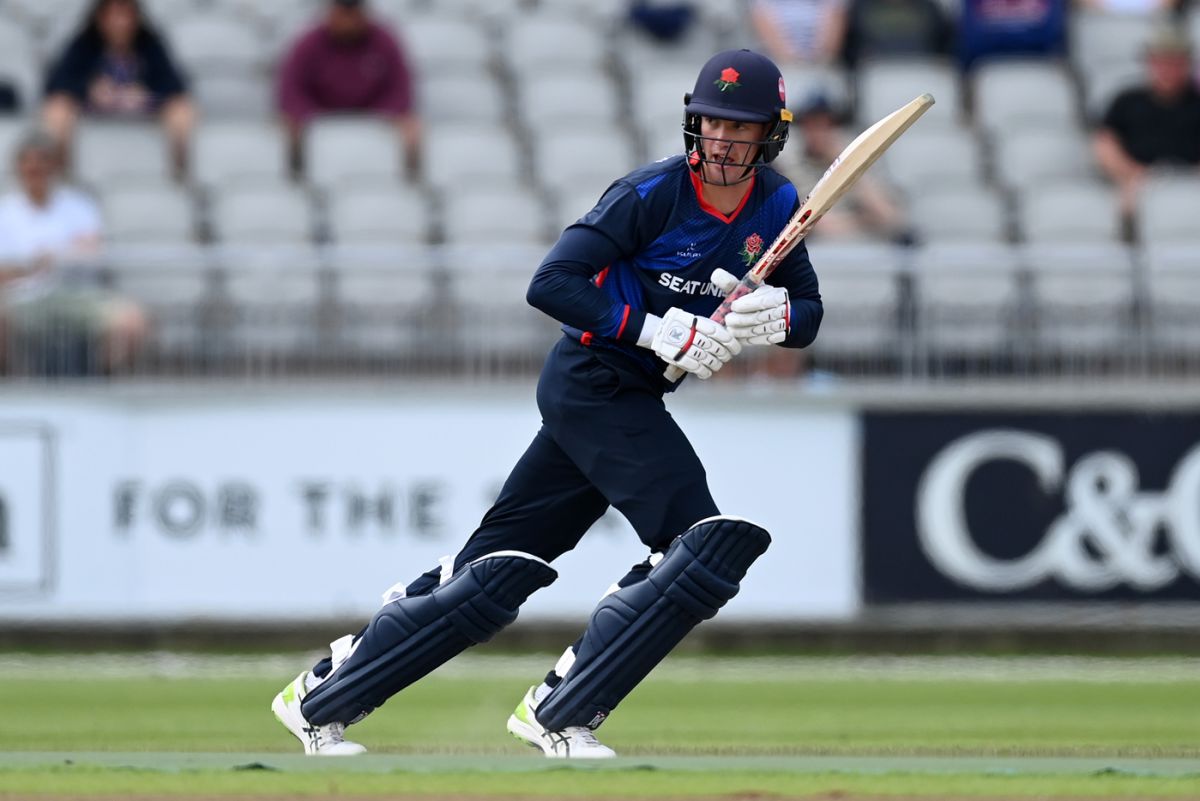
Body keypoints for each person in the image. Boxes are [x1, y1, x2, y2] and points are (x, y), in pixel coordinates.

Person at [270, 49, 822, 759]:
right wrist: (655, 329)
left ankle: (317, 701)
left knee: (493, 572)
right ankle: (559, 713)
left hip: (628, 392)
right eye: (711, 123)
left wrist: (770, 318)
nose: (721, 139)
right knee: (698, 544)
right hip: (592, 379)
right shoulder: (650, 194)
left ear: (767, 136)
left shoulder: (776, 203)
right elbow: (552, 280)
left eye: (738, 128)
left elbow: (807, 310)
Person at [0, 130, 146, 374]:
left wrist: (50, 259)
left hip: (78, 294)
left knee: (132, 322)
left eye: (42, 160)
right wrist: (35, 265)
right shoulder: (4, 212)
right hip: (22, 298)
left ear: (55, 165)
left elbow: (93, 253)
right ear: (18, 167)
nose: (35, 168)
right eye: (28, 161)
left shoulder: (79, 205)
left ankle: (98, 379)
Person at [41, 0, 195, 177]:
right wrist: (89, 89)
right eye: (112, 16)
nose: (119, 23)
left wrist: (145, 92)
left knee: (183, 110)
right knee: (56, 110)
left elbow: (175, 84)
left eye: (125, 16)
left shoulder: (150, 44)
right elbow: (56, 82)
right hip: (91, 108)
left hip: (142, 107)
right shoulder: (84, 44)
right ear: (99, 18)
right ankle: (62, 176)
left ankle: (180, 176)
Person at [276, 0, 421, 178]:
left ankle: (407, 185)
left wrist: (381, 115)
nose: (348, 21)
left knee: (412, 128)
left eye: (352, 13)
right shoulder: (308, 43)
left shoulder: (384, 40)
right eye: (342, 13)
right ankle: (297, 181)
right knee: (286, 127)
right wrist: (310, 116)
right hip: (319, 115)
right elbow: (291, 90)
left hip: (374, 115)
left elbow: (400, 89)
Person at [1093, 27, 1200, 218]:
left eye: (1175, 62)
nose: (1168, 69)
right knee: (1121, 206)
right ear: (1150, 63)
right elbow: (1104, 144)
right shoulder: (1127, 100)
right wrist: (1133, 173)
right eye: (1161, 62)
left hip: (1192, 181)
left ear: (1187, 64)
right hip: (1137, 181)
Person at [750, 0, 848, 65]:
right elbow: (766, 27)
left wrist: (817, 59)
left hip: (823, 66)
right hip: (780, 65)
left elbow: (831, 43)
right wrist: (791, 61)